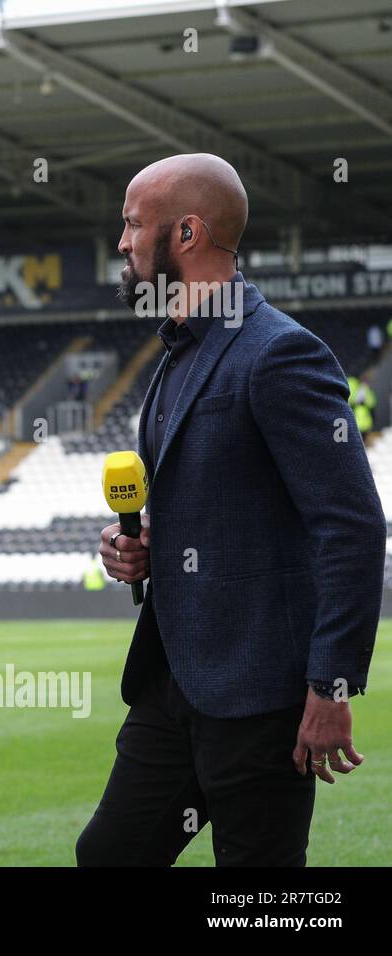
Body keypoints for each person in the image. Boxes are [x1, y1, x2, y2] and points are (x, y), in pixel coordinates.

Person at [82, 153, 383, 867]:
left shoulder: (279, 354)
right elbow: (217, 507)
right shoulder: (178, 353)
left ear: (186, 233)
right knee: (109, 855)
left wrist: (331, 685)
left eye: (132, 224)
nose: (122, 242)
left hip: (261, 694)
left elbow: (353, 525)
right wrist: (144, 543)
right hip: (172, 683)